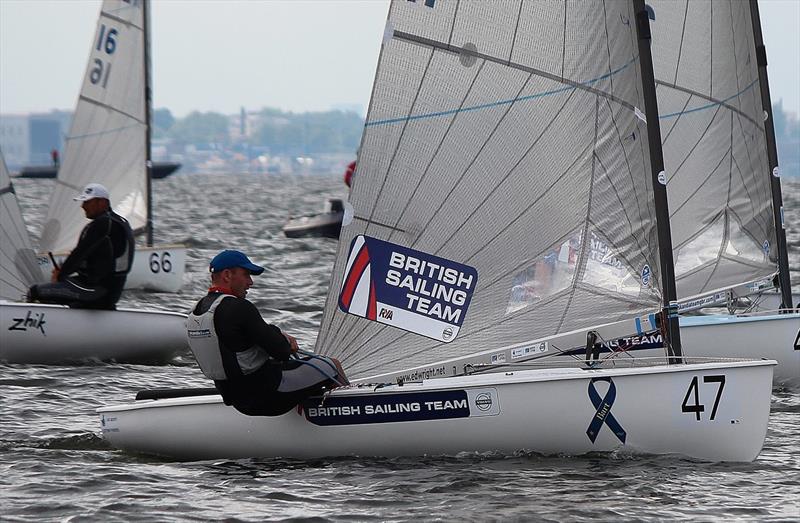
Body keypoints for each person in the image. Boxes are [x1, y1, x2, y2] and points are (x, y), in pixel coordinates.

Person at [187, 249, 349, 416]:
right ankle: (350, 413)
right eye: (246, 275)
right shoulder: (239, 307)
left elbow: (233, 345)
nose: (250, 282)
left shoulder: (196, 312)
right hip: (270, 395)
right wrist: (283, 338)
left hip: (236, 400)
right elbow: (282, 351)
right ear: (227, 275)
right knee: (331, 365)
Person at [27, 183, 134, 310]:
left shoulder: (103, 223)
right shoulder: (120, 221)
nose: (83, 206)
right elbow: (92, 256)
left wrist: (60, 274)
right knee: (63, 287)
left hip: (97, 292)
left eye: (87, 202)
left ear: (102, 203)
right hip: (108, 292)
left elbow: (80, 253)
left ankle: (34, 321)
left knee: (36, 291)